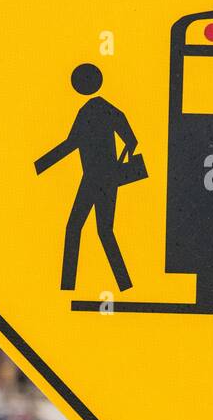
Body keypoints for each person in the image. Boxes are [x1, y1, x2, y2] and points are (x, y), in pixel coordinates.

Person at [34, 63, 137, 292]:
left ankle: (69, 286)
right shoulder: (100, 108)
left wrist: (42, 164)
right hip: (103, 177)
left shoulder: (91, 110)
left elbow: (72, 143)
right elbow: (127, 131)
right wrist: (128, 148)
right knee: (102, 230)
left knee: (77, 228)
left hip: (95, 178)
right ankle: (124, 285)